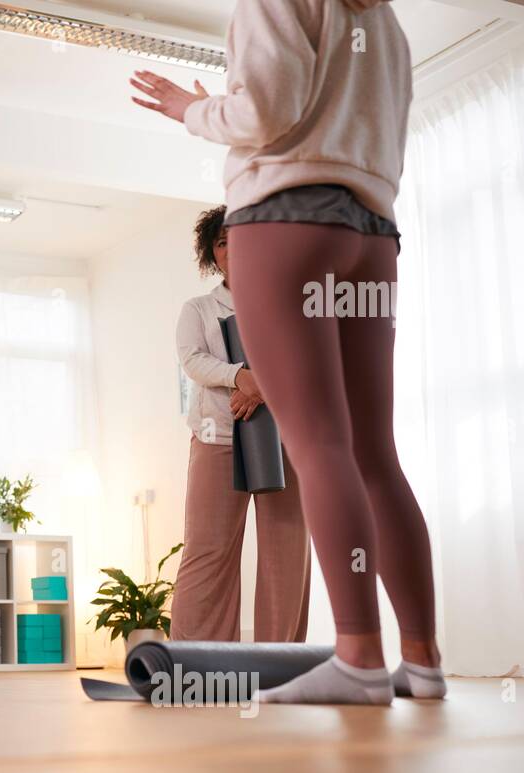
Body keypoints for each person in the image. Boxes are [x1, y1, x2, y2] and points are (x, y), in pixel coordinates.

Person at [131, 0, 443, 703]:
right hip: (373, 231)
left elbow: (267, 113)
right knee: (374, 454)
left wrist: (194, 109)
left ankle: (360, 658)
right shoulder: (384, 19)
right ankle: (421, 662)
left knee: (321, 447)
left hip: (286, 220)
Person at [170, 206, 310, 643]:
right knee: (207, 552)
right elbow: (193, 360)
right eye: (222, 242)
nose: (232, 248)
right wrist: (239, 376)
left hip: (284, 442)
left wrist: (257, 384)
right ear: (212, 253)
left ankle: (278, 664)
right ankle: (197, 660)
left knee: (285, 555)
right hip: (217, 442)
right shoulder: (198, 308)